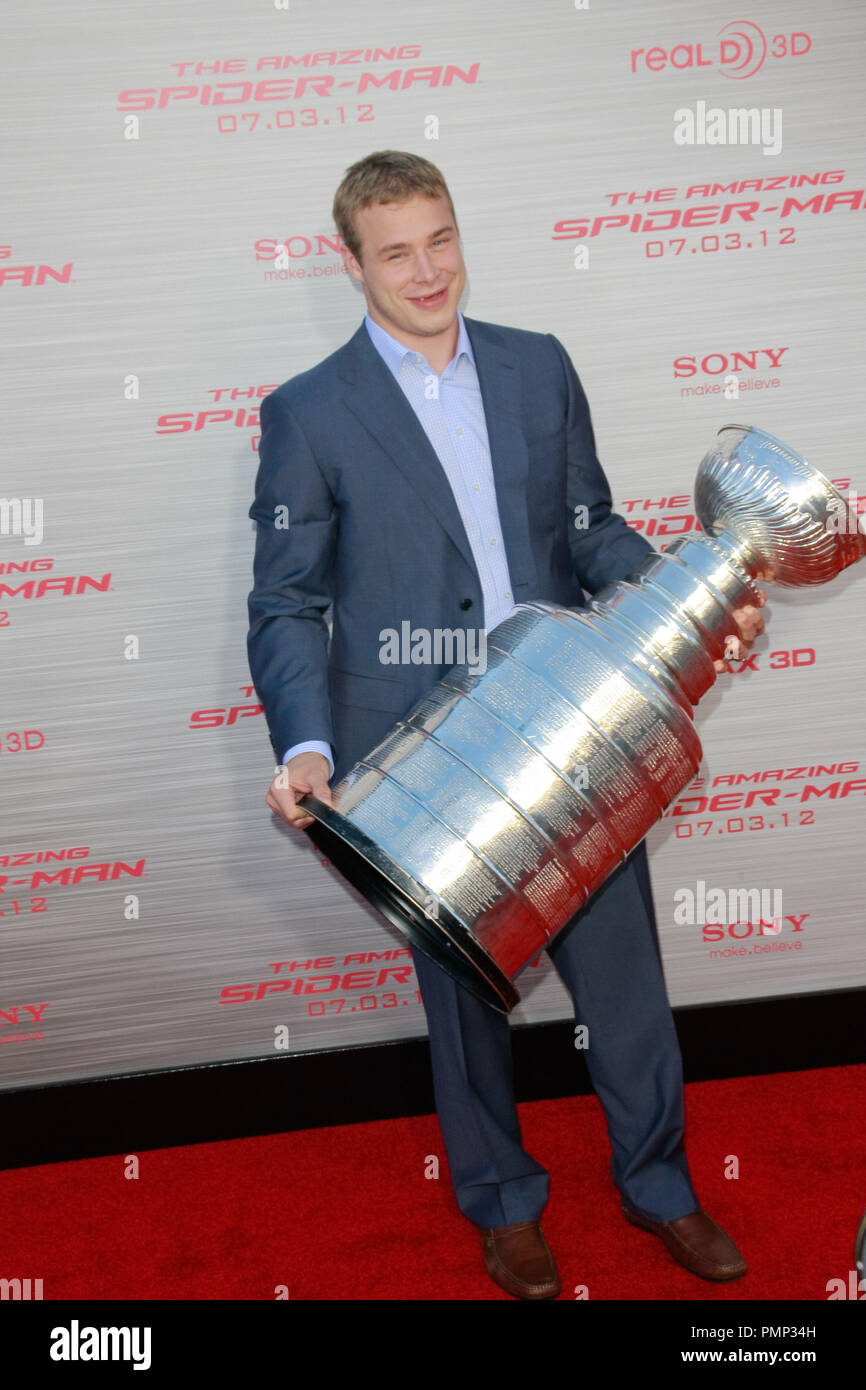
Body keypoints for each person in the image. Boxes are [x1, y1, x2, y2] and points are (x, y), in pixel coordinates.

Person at [247, 150, 764, 1300]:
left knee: (624, 983)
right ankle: (502, 1206)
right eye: (395, 252)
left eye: (440, 239)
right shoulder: (307, 412)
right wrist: (306, 747)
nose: (426, 271)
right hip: (418, 757)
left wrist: (689, 597)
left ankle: (661, 1187)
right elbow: (286, 600)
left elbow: (591, 531)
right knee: (466, 1003)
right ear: (351, 264)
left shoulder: (538, 367)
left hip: (574, 725)